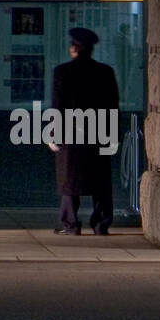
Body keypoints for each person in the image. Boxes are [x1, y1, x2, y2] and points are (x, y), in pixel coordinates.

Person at [48, 27, 119, 235]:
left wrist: (54, 134)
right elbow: (112, 105)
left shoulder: (62, 71)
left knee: (69, 181)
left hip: (71, 134)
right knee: (100, 182)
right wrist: (112, 136)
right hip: (99, 133)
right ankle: (100, 224)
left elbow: (58, 106)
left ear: (75, 49)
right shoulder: (105, 72)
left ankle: (70, 223)